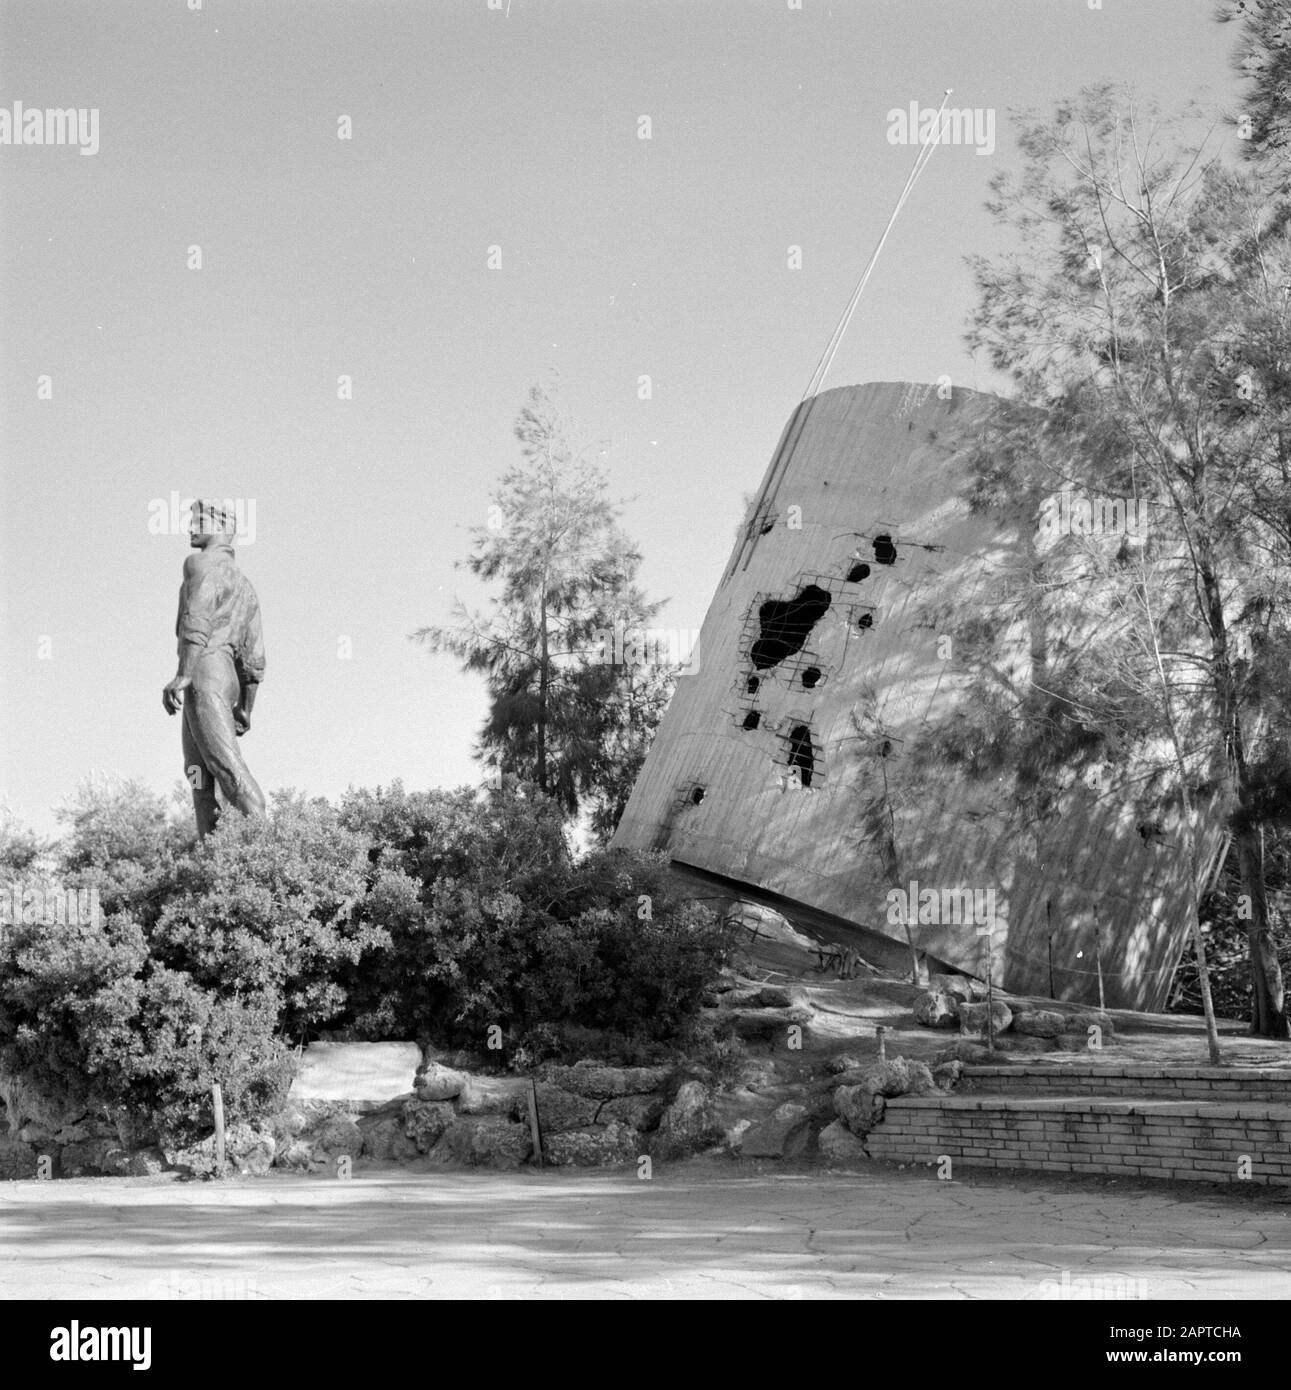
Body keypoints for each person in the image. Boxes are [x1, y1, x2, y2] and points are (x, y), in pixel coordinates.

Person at [162, 499, 266, 837]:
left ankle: (268, 845)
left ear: (220, 525)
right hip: (227, 679)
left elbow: (197, 618)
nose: (190, 528)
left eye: (198, 520)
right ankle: (212, 855)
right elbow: (254, 659)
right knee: (198, 772)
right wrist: (246, 709)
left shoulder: (199, 564)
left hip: (204, 669)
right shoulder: (245, 585)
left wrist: (184, 673)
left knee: (223, 767)